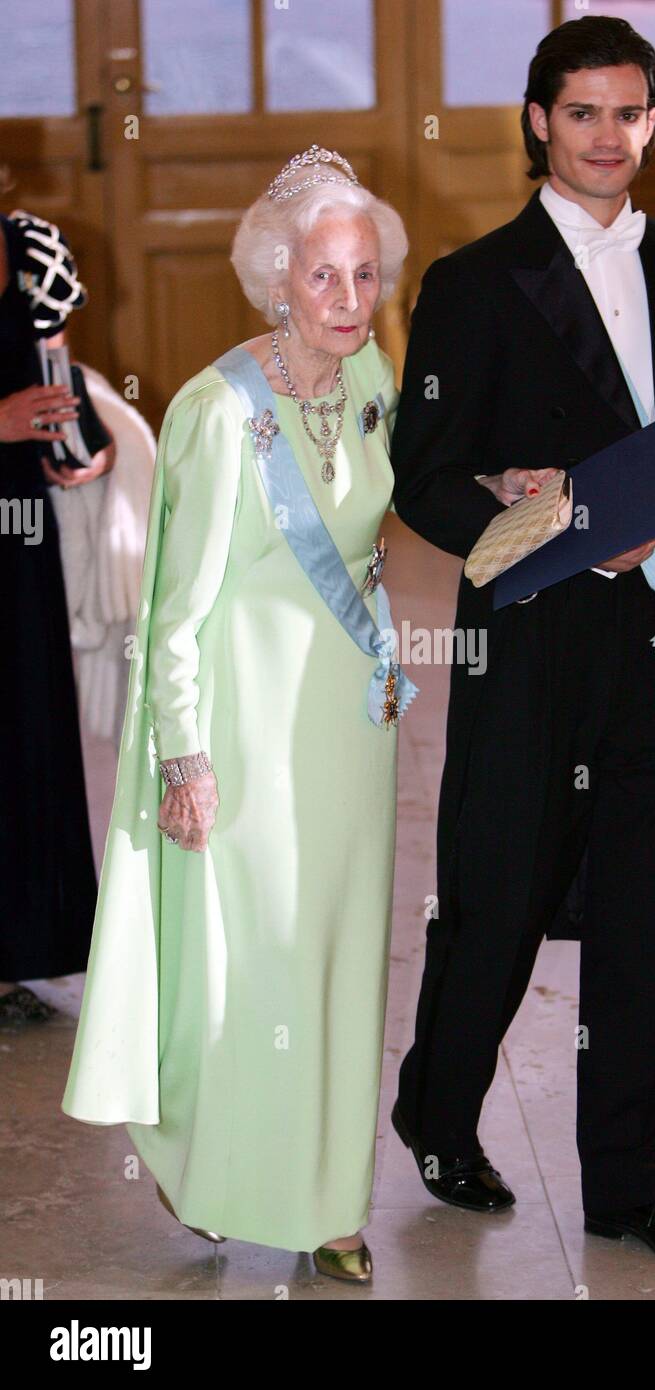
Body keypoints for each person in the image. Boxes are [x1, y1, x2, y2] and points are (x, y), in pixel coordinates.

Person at [390, 17, 655, 1264]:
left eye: (631, 112)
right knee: (496, 893)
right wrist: (526, 510)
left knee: (638, 906)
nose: (610, 137)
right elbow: (423, 479)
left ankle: (627, 1179)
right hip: (531, 638)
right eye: (584, 112)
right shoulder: (471, 282)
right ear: (537, 122)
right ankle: (438, 1110)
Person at [62, 146, 415, 1283]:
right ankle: (201, 1155)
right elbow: (176, 609)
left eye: (366, 277)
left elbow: (395, 513)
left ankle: (330, 1203)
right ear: (276, 278)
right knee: (252, 965)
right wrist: (185, 754)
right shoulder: (220, 411)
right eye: (323, 278)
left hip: (349, 732)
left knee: (339, 960)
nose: (349, 302)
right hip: (247, 735)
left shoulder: (372, 383)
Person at [0, 208, 112, 1025]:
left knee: (24, 726)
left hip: (15, 527)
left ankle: (22, 951)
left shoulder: (28, 247)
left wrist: (82, 441)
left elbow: (55, 376)